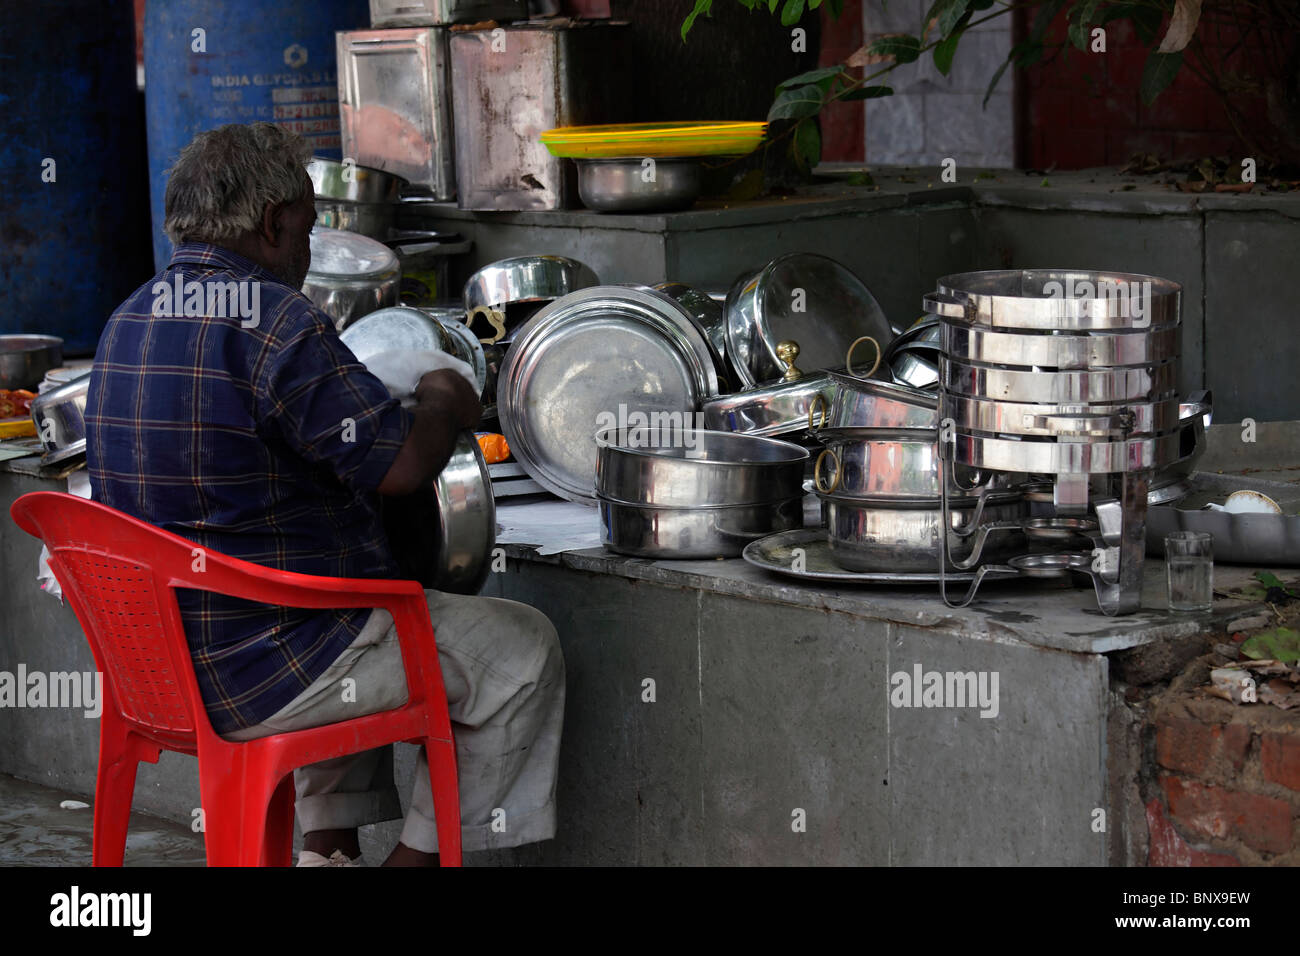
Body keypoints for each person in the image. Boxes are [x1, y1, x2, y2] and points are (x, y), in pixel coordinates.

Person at [84, 122, 564, 867]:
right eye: (308, 229)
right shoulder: (277, 321)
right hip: (267, 670)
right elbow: (401, 467)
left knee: (352, 592)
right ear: (277, 224)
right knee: (520, 649)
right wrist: (445, 395)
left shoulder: (126, 320)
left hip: (156, 667)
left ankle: (327, 852)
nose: (309, 252)